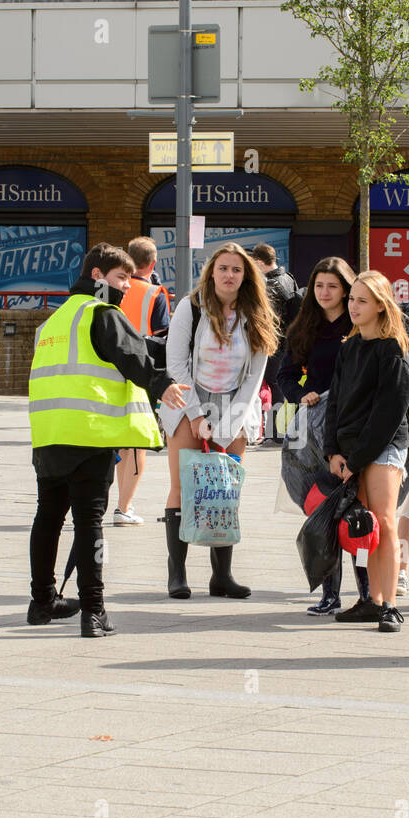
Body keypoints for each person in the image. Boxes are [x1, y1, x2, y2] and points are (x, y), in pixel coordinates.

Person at [28, 243, 188, 638]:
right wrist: (162, 384)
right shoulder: (101, 312)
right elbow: (130, 356)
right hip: (90, 435)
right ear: (97, 276)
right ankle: (93, 611)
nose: (127, 288)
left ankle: (43, 600)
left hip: (49, 436)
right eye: (120, 279)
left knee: (48, 518)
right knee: (88, 523)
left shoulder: (53, 322)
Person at [162, 243, 279, 599]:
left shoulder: (255, 312)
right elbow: (176, 364)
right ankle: (177, 574)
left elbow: (254, 377)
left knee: (225, 490)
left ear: (246, 277)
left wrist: (228, 427)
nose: (229, 275)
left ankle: (221, 576)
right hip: (189, 401)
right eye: (223, 268)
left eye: (237, 270)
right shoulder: (191, 306)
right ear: (212, 271)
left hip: (235, 407)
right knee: (183, 487)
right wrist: (197, 416)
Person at [323, 270, 409, 633]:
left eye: (362, 300)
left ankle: (389, 604)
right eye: (352, 299)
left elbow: (390, 411)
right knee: (366, 528)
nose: (353, 306)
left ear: (381, 305)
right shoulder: (349, 348)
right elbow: (335, 404)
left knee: (385, 521)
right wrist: (332, 451)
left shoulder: (392, 348)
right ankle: (370, 600)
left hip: (384, 447)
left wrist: (358, 458)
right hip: (350, 450)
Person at [277, 256, 361, 616]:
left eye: (333, 286)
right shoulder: (303, 327)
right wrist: (301, 395)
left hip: (352, 425)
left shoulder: (359, 322)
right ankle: (330, 594)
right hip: (312, 428)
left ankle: (369, 594)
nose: (325, 292)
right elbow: (285, 374)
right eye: (319, 286)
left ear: (346, 289)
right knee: (321, 507)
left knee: (357, 509)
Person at [112, 236, 172, 527]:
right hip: (141, 373)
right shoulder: (154, 293)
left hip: (111, 373)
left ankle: (118, 503)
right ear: (154, 262)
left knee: (122, 441)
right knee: (137, 442)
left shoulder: (112, 289)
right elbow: (163, 338)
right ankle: (124, 507)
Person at [253, 243, 298, 446]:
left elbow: (267, 318)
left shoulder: (270, 286)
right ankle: (277, 431)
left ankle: (276, 433)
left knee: (274, 388)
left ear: (260, 262)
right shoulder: (288, 278)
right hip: (287, 344)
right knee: (279, 388)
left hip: (274, 346)